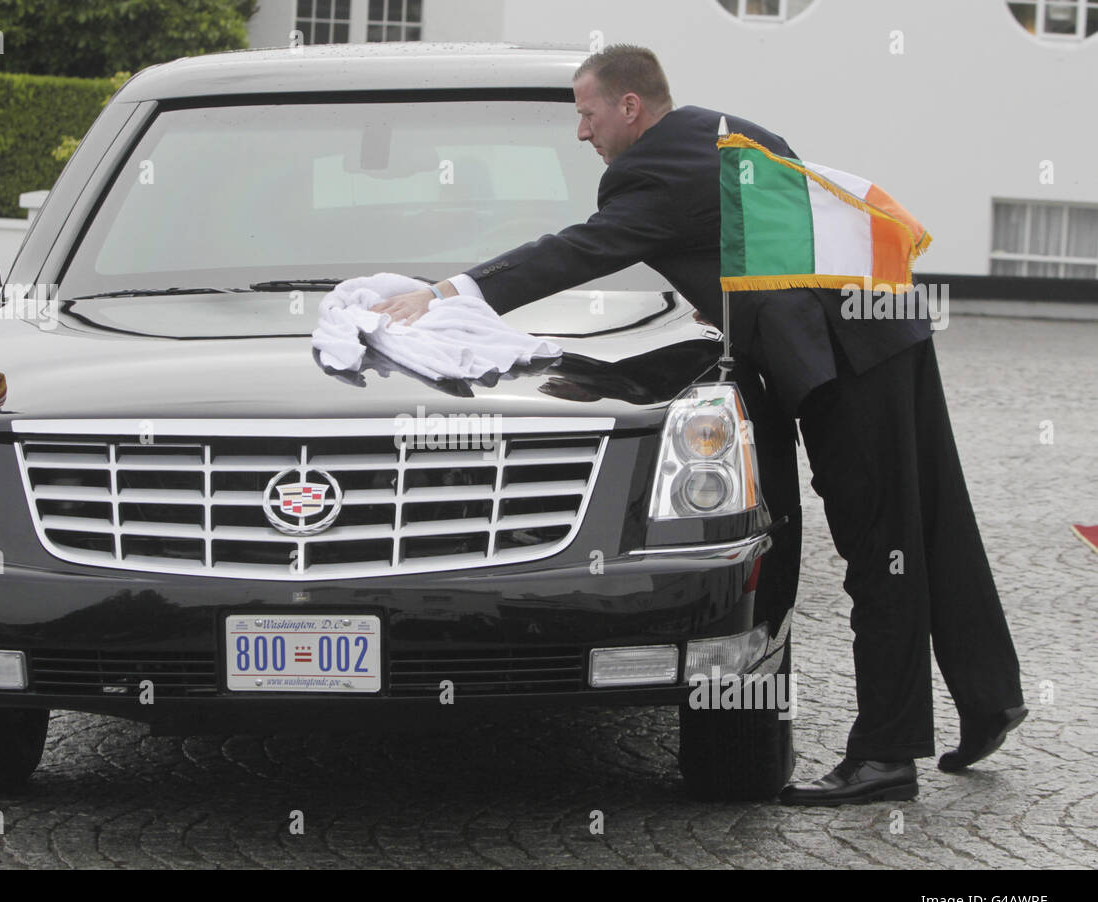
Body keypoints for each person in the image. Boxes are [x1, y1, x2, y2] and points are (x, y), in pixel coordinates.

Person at [373, 44, 1026, 805]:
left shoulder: (649, 171)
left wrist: (453, 292)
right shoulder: (722, 132)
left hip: (850, 357)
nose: (581, 133)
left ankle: (886, 756)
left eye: (586, 114)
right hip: (884, 324)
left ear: (629, 107)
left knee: (880, 548)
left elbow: (580, 250)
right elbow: (746, 245)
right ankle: (989, 698)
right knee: (932, 523)